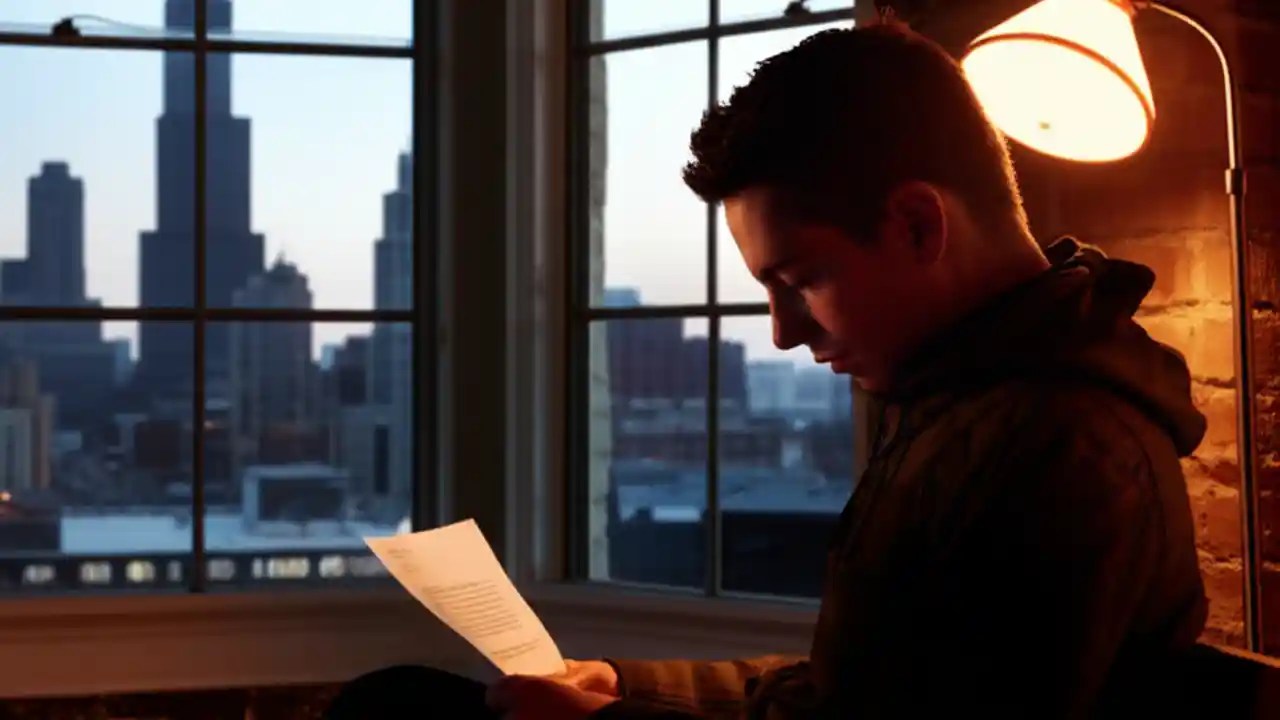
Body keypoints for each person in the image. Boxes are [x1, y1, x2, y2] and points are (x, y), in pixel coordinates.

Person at [331, 19, 1210, 720]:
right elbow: (851, 692)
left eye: (800, 280)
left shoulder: (1058, 457)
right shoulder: (966, 408)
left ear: (916, 225)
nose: (784, 333)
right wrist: (626, 687)